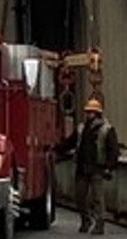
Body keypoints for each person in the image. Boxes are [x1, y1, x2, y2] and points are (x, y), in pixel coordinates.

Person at [59, 98, 119, 234]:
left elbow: (113, 150)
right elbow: (70, 142)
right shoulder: (81, 128)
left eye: (91, 112)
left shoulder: (107, 129)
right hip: (82, 168)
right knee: (80, 196)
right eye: (87, 112)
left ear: (97, 113)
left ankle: (99, 225)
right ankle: (86, 220)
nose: (88, 115)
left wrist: (110, 167)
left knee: (98, 198)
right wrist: (57, 148)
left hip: (98, 168)